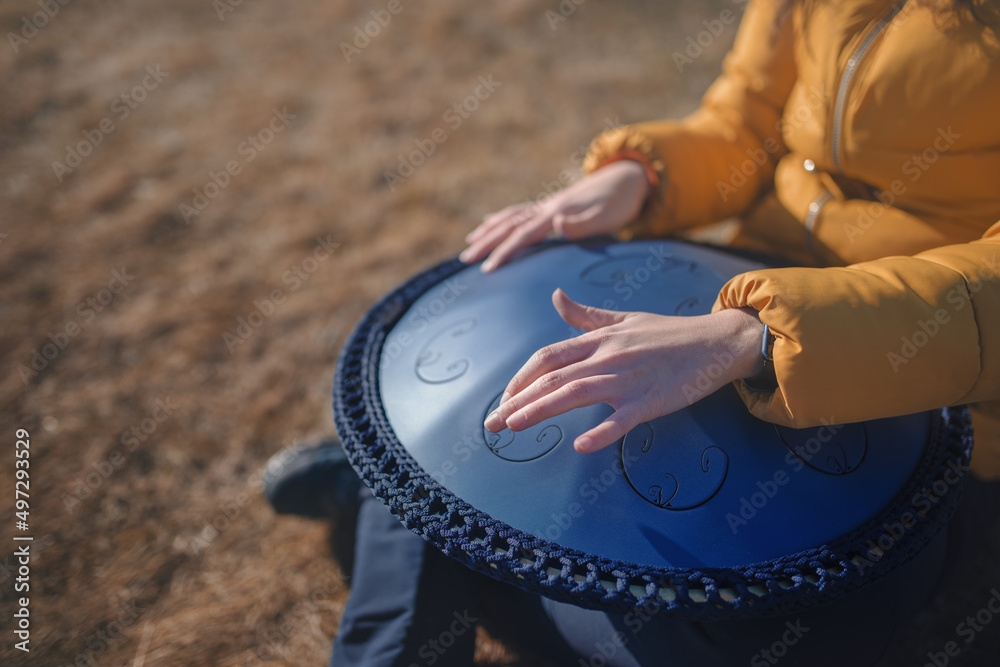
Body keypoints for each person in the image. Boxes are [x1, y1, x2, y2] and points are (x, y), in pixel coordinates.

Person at [267, 0, 1000, 664]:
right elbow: (744, 124)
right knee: (490, 398)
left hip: (924, 399)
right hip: (732, 283)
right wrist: (638, 179)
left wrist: (760, 335)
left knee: (747, 626)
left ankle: (392, 508)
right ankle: (407, 519)